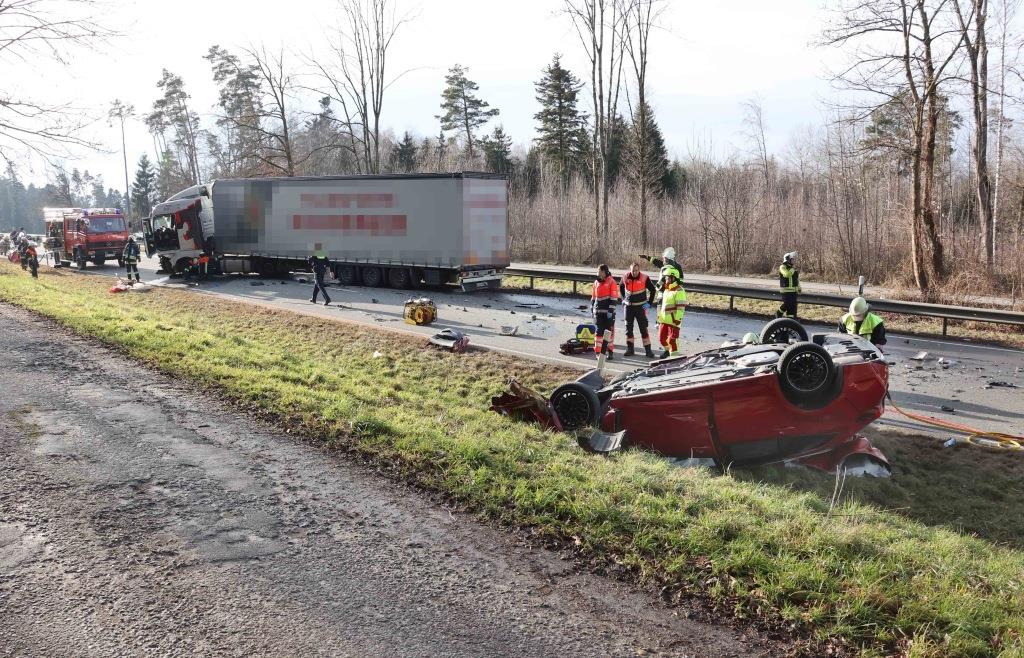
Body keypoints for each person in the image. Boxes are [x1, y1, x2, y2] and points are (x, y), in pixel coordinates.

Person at [619, 261, 657, 358]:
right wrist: (623, 299)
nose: (634, 272)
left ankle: (648, 350)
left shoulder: (645, 278)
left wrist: (649, 303)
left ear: (639, 270)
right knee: (628, 329)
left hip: (640, 308)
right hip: (628, 308)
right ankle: (630, 349)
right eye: (632, 271)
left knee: (643, 328)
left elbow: (653, 290)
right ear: (630, 270)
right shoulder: (625, 277)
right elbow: (621, 286)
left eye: (636, 270)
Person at [590, 264, 620, 360]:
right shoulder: (596, 282)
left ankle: (609, 351)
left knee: (608, 333)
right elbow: (593, 297)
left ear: (604, 272)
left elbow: (614, 298)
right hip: (598, 312)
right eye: (598, 271)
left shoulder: (612, 282)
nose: (598, 273)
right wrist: (592, 308)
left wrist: (610, 311)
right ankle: (598, 353)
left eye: (600, 271)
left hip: (608, 313)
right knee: (599, 332)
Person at [657, 266, 687, 359]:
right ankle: (667, 351)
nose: (666, 279)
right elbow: (657, 287)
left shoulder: (679, 290)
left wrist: (678, 319)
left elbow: (681, 308)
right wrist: (659, 317)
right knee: (662, 339)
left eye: (668, 278)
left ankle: (674, 358)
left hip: (674, 321)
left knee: (672, 340)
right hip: (664, 320)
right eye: (665, 278)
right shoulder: (666, 289)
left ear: (674, 278)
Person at [775, 251, 801, 319]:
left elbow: (796, 280)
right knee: (787, 304)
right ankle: (778, 313)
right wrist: (792, 270)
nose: (793, 261)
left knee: (792, 306)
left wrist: (799, 288)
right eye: (792, 259)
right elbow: (787, 274)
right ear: (787, 260)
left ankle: (790, 320)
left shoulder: (793, 269)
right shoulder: (782, 267)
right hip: (786, 292)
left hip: (793, 292)